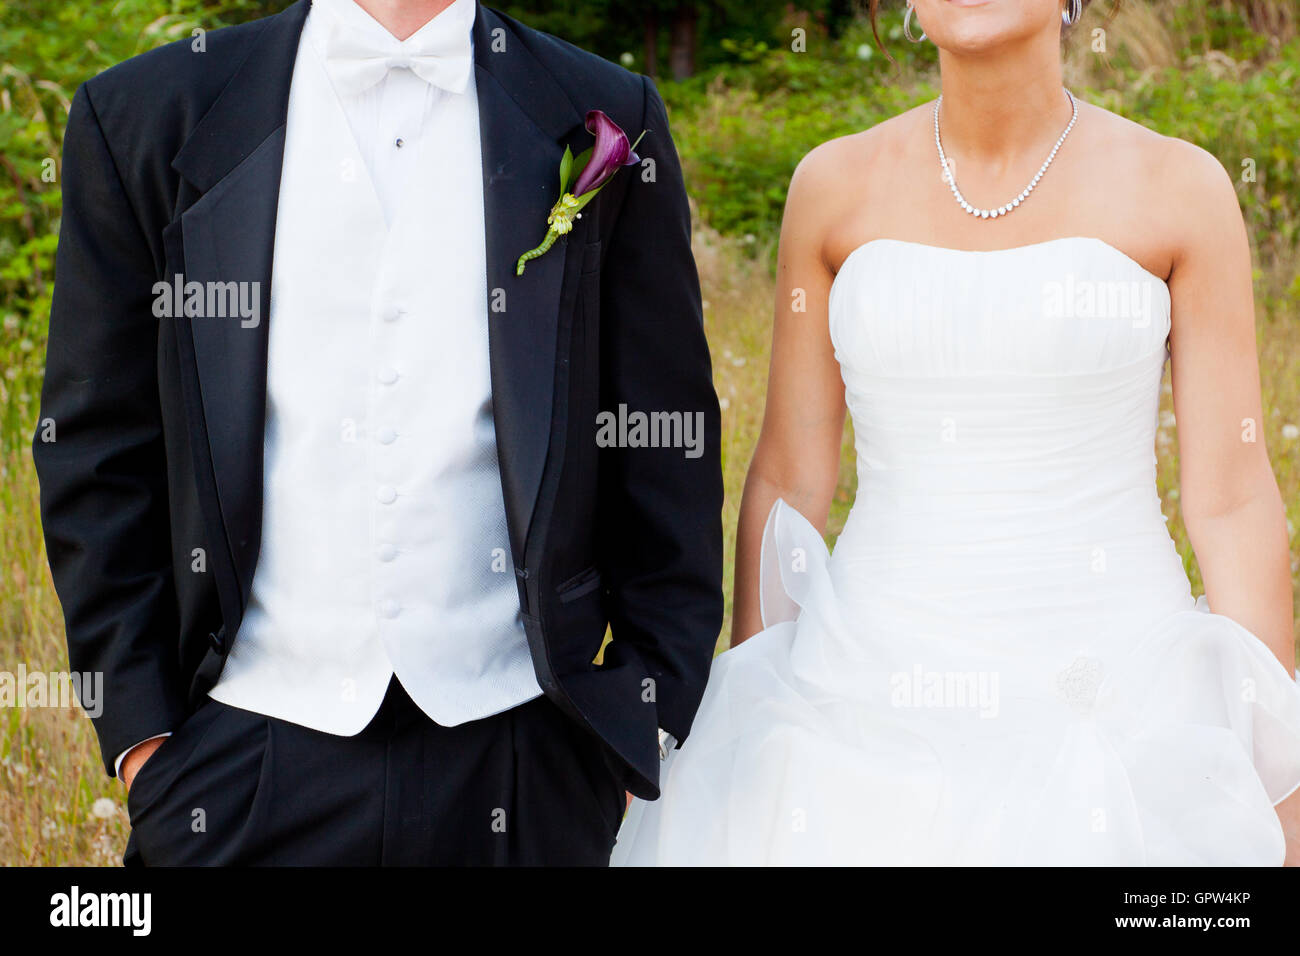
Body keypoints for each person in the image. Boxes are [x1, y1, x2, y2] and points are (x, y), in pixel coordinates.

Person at [35, 0, 722, 865]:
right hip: (236, 770)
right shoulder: (143, 112)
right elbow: (96, 446)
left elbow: (665, 442)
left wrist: (637, 730)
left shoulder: (608, 112)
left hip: (528, 765)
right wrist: (146, 746)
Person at [613, 0, 1300, 865]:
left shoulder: (1181, 188)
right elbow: (789, 476)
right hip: (859, 698)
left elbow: (1232, 500)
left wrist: (1282, 774)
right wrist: (746, 716)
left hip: (1121, 686)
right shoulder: (832, 186)